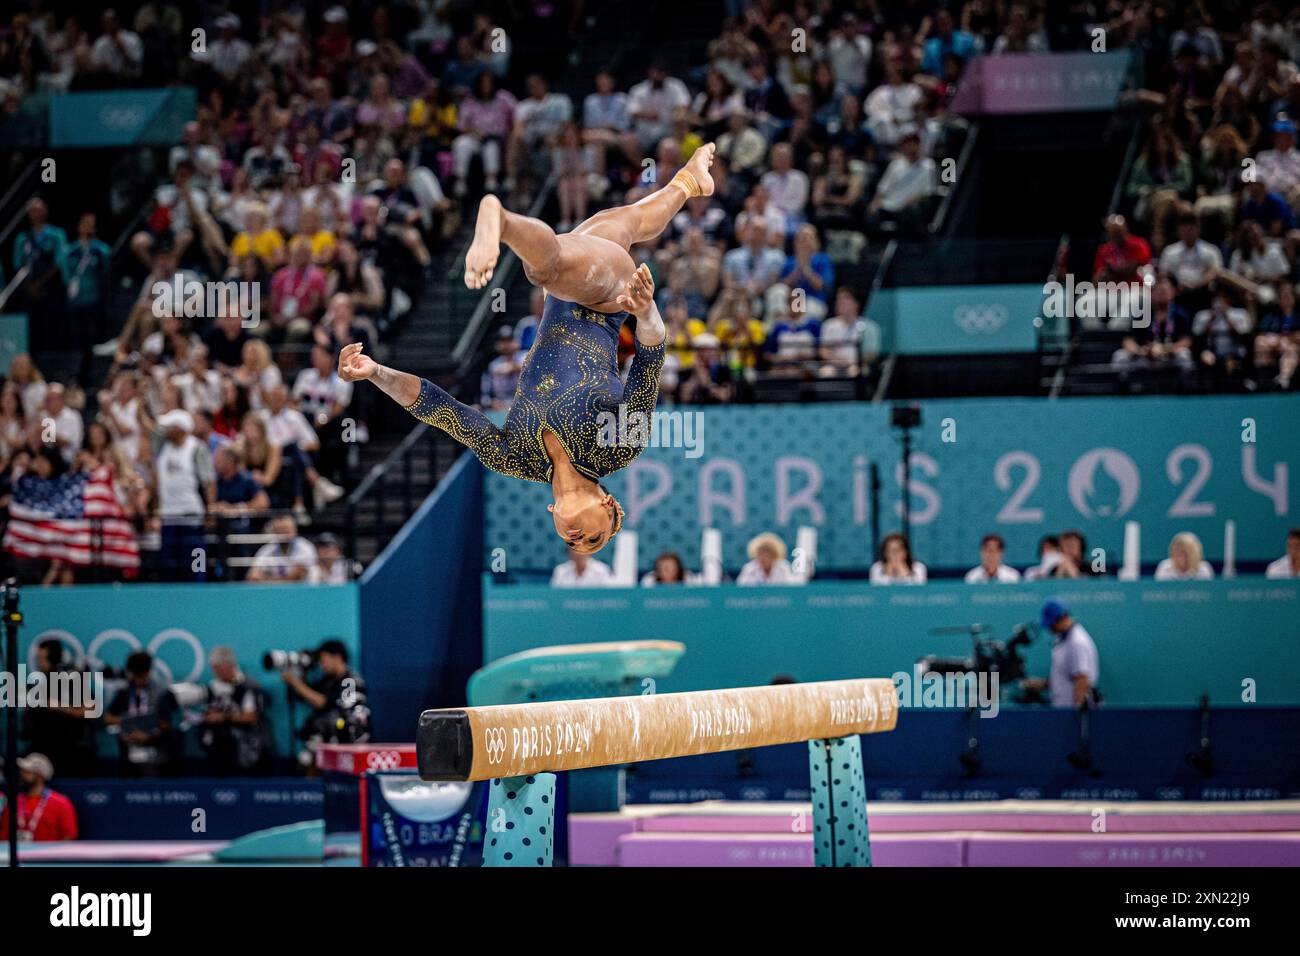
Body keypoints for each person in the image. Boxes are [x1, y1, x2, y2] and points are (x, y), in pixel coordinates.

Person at [340, 146, 720, 555]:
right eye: (595, 537)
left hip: (570, 286)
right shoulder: (619, 448)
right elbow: (648, 365)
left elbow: (440, 409)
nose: (579, 541)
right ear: (607, 503)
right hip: (606, 299)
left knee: (631, 222)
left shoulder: (515, 459)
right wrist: (646, 313)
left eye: (574, 543)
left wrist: (376, 372)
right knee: (546, 267)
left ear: (553, 512)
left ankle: (687, 181)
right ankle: (499, 219)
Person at [280, 639, 370, 765]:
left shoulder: (351, 681)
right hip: (327, 741)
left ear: (337, 657)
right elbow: (308, 696)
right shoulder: (327, 681)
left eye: (324, 660)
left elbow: (323, 702)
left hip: (352, 743)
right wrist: (302, 672)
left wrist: (295, 683)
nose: (322, 665)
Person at [22, 640, 95, 778]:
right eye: (39, 659)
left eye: (44, 658)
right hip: (43, 748)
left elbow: (90, 710)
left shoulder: (72, 680)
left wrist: (60, 707)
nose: (40, 663)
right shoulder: (35, 684)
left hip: (71, 748)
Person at [103, 651, 181, 776]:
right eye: (135, 676)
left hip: (157, 743)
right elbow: (108, 718)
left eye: (142, 676)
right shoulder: (125, 691)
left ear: (148, 672)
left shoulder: (162, 692)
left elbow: (169, 722)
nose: (139, 680)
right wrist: (130, 725)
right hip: (129, 742)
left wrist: (148, 734)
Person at [199, 646, 272, 776]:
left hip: (246, 750)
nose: (215, 672)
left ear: (228, 666)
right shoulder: (214, 686)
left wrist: (223, 717)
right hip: (219, 750)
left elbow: (251, 717)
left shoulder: (248, 686)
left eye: (217, 668)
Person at [1023, 599, 1100, 709]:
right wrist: (1043, 684)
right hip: (1061, 709)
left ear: (1062, 618)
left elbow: (1082, 679)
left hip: (1070, 714)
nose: (1050, 629)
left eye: (1052, 625)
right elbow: (1066, 677)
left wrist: (1074, 714)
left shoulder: (1077, 642)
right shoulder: (1063, 639)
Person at [0, 754, 78, 842]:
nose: (21, 774)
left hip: (48, 854)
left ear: (39, 775)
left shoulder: (61, 803)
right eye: (22, 771)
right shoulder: (14, 801)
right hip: (17, 853)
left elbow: (69, 836)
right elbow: (4, 835)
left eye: (27, 771)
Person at [247, 514, 317, 583]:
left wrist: (267, 580)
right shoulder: (267, 549)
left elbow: (296, 577)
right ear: (273, 532)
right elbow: (253, 576)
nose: (283, 533)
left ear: (295, 530)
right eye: (279, 530)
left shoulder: (305, 547)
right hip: (274, 591)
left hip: (304, 591)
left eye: (286, 529)